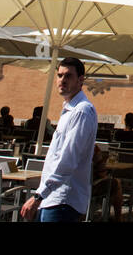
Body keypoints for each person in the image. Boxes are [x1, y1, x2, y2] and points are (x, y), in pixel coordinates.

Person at [21, 57, 98, 222]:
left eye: (68, 76)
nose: (62, 80)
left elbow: (68, 160)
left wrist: (39, 195)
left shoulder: (81, 111)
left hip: (63, 199)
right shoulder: (69, 109)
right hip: (52, 198)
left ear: (80, 80)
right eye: (60, 75)